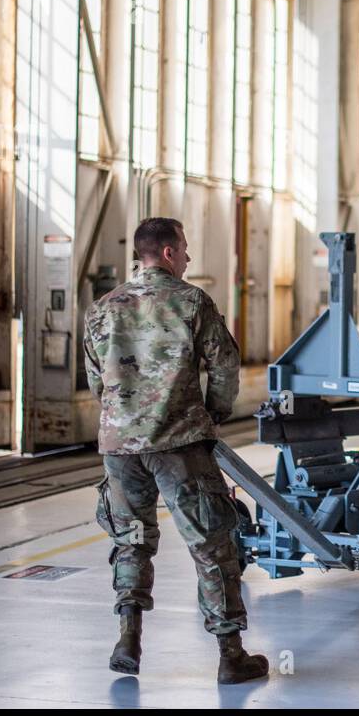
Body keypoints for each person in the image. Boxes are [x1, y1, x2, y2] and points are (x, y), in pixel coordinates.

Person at [83, 217, 268, 684]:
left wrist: (124, 419)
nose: (187, 256)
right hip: (179, 442)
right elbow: (224, 363)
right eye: (184, 248)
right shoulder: (191, 301)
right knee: (210, 543)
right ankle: (230, 654)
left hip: (119, 447)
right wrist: (213, 413)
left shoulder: (102, 308)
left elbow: (94, 381)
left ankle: (128, 636)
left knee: (130, 541)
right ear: (167, 253)